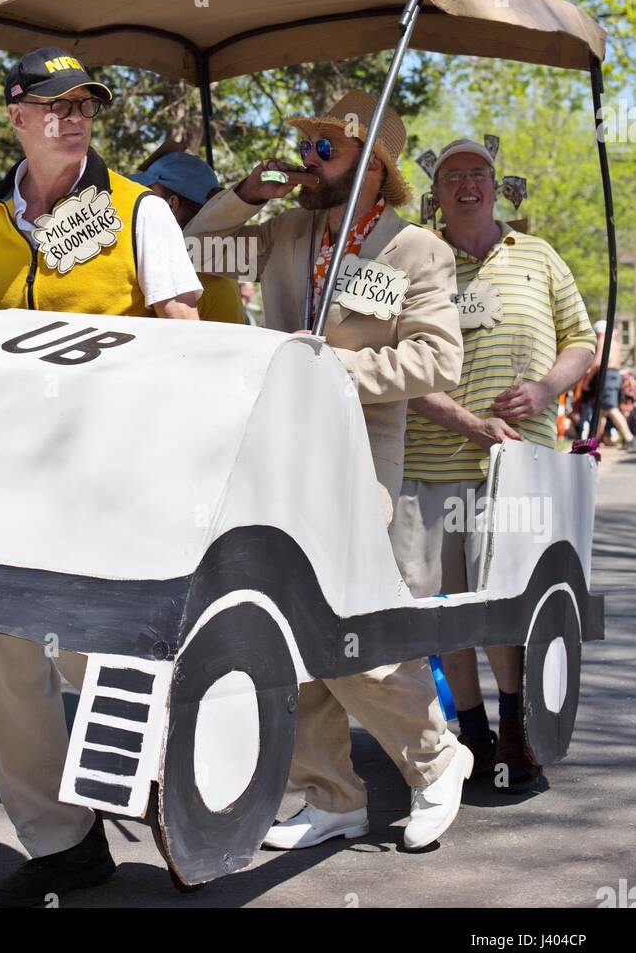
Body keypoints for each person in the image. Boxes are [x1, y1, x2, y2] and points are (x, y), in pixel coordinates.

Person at [0, 47, 201, 906]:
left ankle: (185, 789)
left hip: (114, 478)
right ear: (14, 115)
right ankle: (64, 843)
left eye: (85, 101)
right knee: (1, 648)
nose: (73, 114)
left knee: (105, 652)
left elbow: (184, 334)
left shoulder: (138, 209)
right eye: (53, 102)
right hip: (5, 479)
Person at [184, 88, 472, 852]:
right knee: (284, 629)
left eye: (327, 148)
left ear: (374, 166)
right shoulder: (284, 231)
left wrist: (331, 370)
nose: (311, 159)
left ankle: (437, 760)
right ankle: (331, 794)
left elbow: (439, 358)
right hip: (274, 458)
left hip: (356, 463)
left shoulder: (419, 249)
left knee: (348, 623)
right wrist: (244, 195)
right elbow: (190, 252)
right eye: (310, 146)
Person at [390, 138, 595, 792]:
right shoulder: (417, 256)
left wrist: (542, 391)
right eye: (454, 176)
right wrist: (465, 420)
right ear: (437, 191)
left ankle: (516, 728)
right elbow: (393, 365)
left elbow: (582, 342)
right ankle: (470, 734)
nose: (468, 184)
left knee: (507, 604)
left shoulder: (536, 255)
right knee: (447, 607)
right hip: (428, 464)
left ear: (496, 185)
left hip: (518, 468)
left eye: (479, 173)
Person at [129, 151, 245, 323]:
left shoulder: (182, 267)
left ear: (171, 204)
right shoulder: (211, 257)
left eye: (147, 194)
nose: (139, 202)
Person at [584, 320, 633, 448]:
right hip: (614, 375)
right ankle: (594, 440)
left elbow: (597, 362)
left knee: (610, 408)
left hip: (607, 375)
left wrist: (587, 380)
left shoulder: (604, 340)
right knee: (601, 410)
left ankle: (629, 438)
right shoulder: (615, 342)